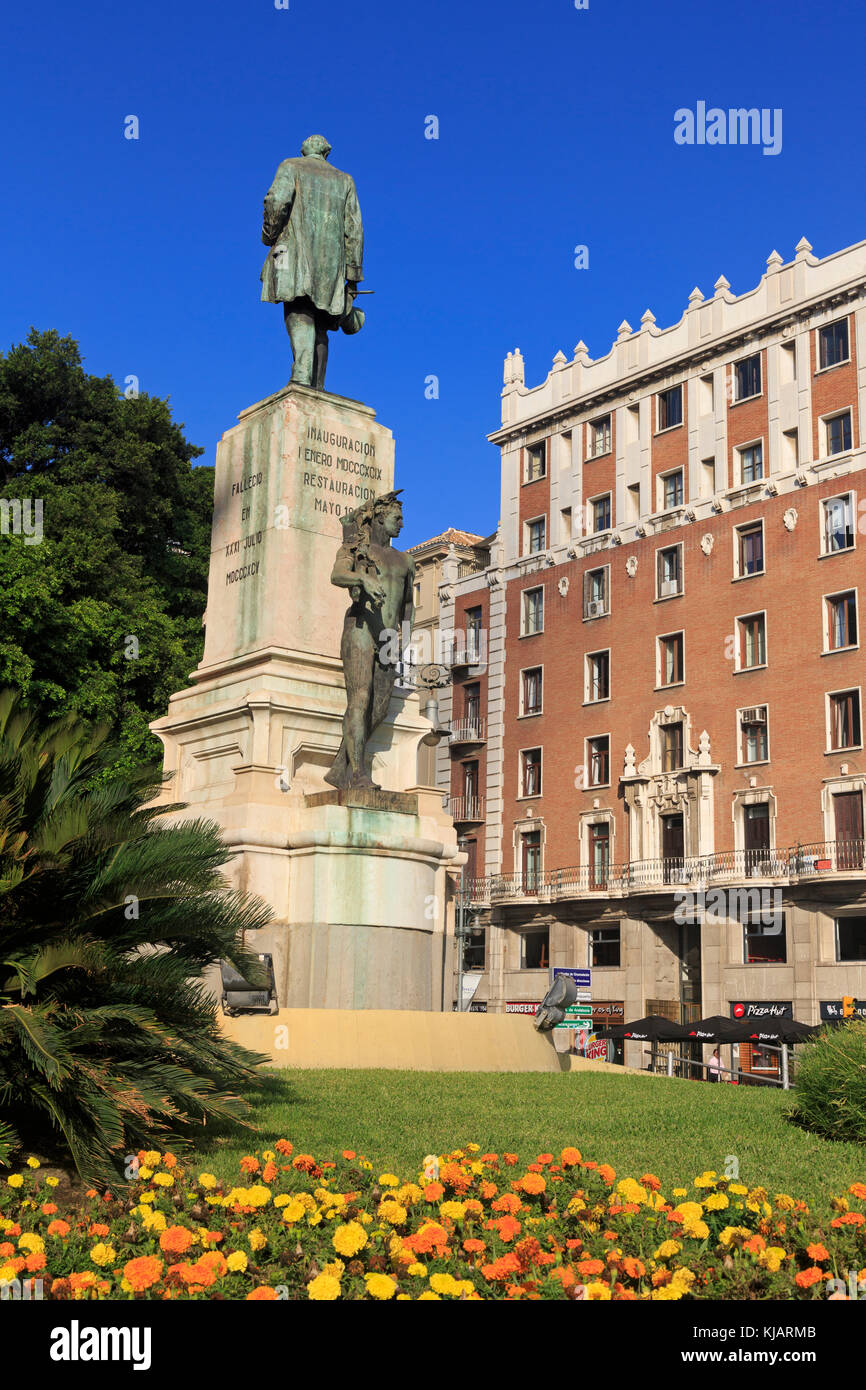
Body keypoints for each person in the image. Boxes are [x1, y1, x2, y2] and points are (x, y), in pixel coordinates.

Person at [325, 492, 414, 790]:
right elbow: (337, 575)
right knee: (360, 699)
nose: (402, 523)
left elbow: (408, 606)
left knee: (380, 707)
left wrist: (406, 640)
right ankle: (357, 774)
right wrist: (361, 579)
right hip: (360, 628)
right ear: (379, 517)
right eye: (396, 518)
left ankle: (342, 764)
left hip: (388, 638)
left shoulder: (406, 560)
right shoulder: (357, 550)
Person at [260, 134, 364, 389]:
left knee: (298, 309)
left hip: (289, 251)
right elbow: (355, 229)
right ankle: (316, 386)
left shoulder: (291, 166)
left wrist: (268, 234)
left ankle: (301, 375)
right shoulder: (345, 180)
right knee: (322, 323)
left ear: (305, 150)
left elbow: (276, 202)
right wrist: (352, 274)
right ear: (326, 153)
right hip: (331, 262)